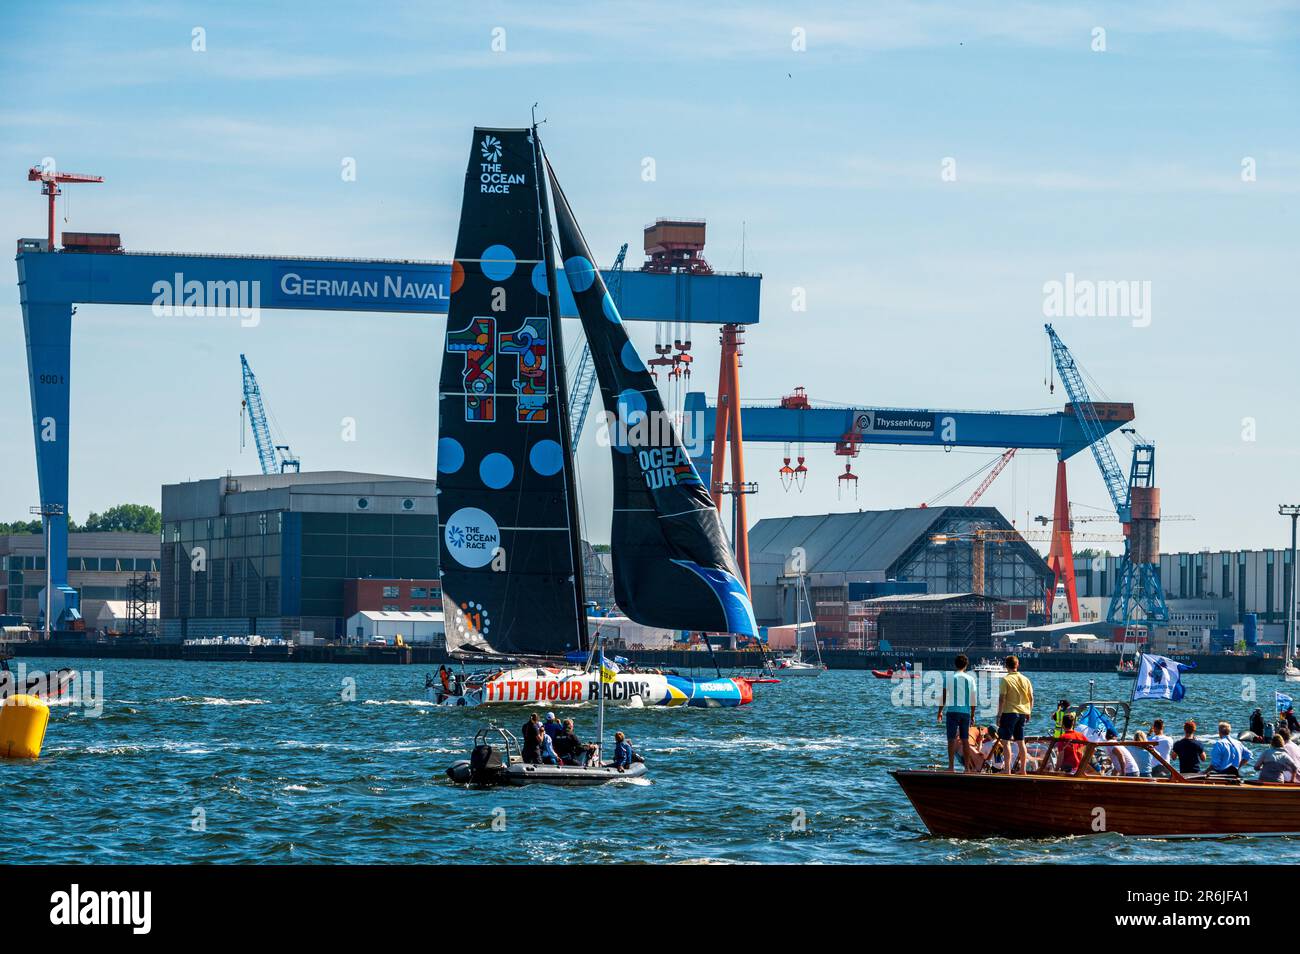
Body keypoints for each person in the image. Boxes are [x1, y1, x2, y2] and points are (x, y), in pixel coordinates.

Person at [938, 653, 978, 772]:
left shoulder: (949, 678)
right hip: (965, 713)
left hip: (952, 712)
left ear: (955, 664)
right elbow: (973, 699)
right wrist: (972, 714)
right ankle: (967, 768)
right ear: (966, 665)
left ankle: (951, 767)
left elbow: (944, 697)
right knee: (965, 740)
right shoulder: (971, 679)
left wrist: (940, 711)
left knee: (951, 739)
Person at [996, 655, 1034, 775]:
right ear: (1017, 665)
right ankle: (1023, 770)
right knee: (1020, 741)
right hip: (1022, 713)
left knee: (1006, 741)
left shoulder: (1005, 680)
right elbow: (1031, 698)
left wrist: (998, 715)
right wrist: (1028, 711)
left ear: (1006, 666)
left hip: (1009, 713)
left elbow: (1002, 699)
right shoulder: (1026, 679)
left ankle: (1007, 770)